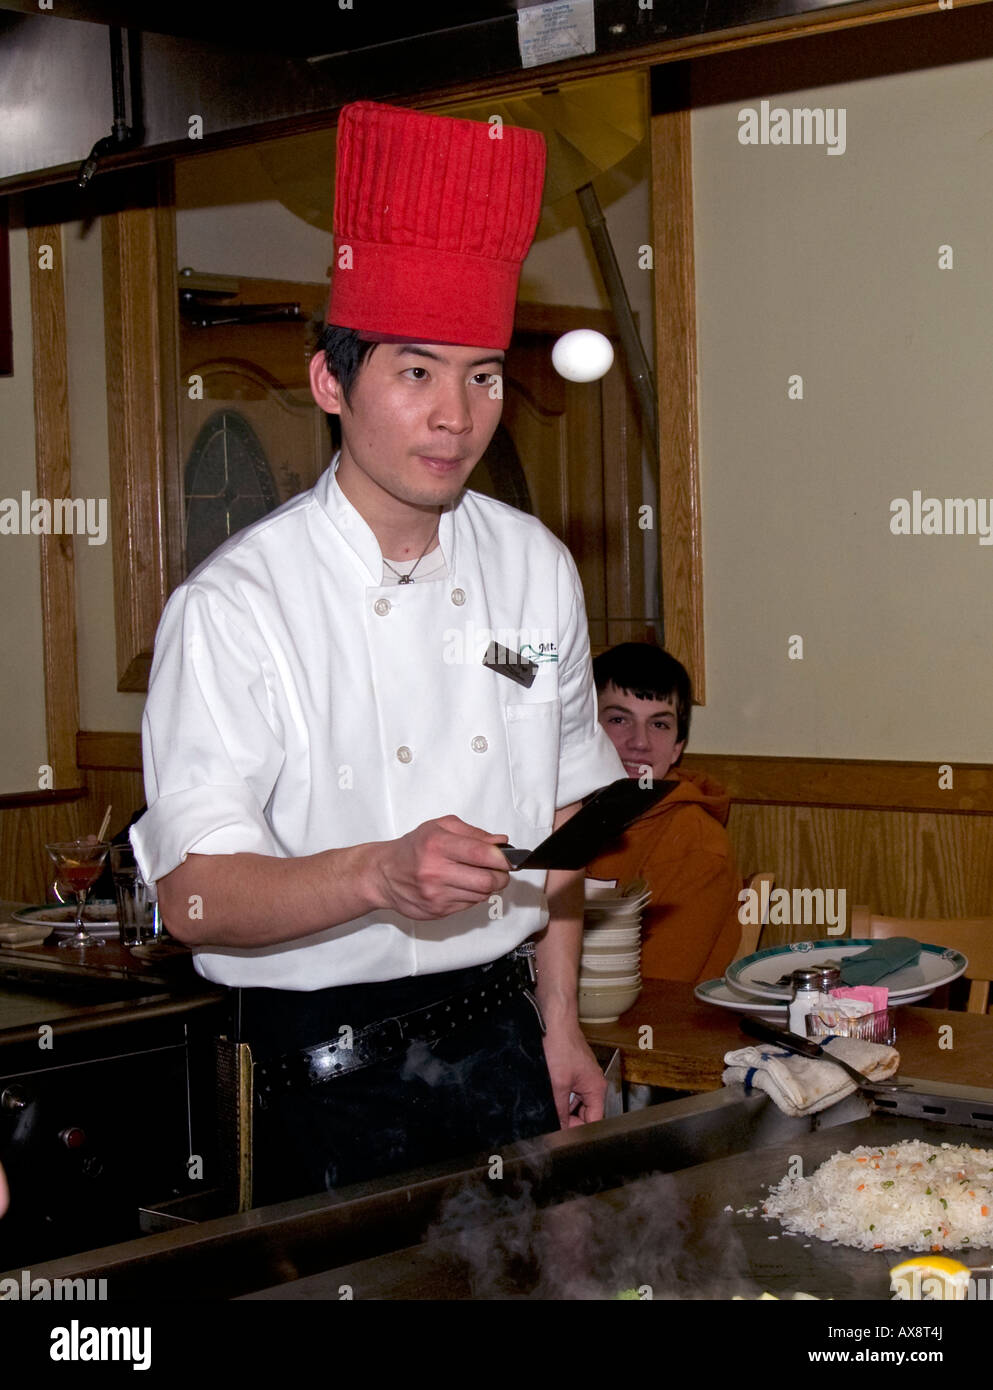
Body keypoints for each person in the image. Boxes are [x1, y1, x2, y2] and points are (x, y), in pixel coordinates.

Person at [131, 101, 623, 1203]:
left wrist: (560, 1022)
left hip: (501, 1034)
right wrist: (374, 874)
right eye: (415, 373)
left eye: (483, 375)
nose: (456, 416)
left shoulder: (534, 566)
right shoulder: (235, 607)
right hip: (318, 1070)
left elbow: (562, 825)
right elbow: (192, 897)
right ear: (329, 382)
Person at [587, 643, 741, 983]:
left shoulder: (697, 843)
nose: (639, 742)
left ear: (677, 748)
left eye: (658, 725)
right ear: (584, 729)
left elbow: (658, 988)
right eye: (618, 720)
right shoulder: (554, 816)